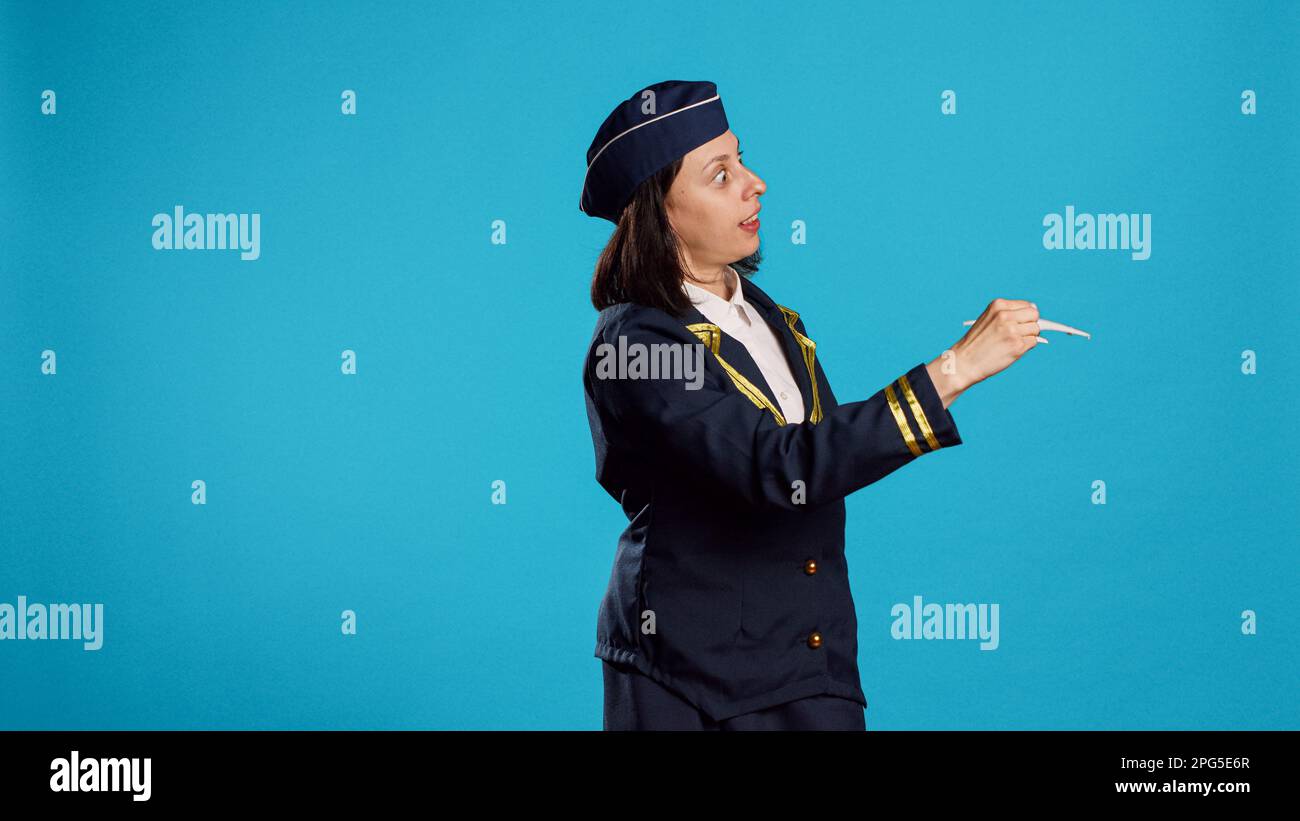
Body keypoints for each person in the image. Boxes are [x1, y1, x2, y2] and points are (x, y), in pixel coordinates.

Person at [579, 80, 1041, 730]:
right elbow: (781, 467)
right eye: (720, 175)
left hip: (811, 665)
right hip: (690, 676)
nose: (755, 184)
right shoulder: (637, 345)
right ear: (661, 213)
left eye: (741, 160)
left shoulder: (768, 316)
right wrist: (954, 369)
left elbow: (821, 467)